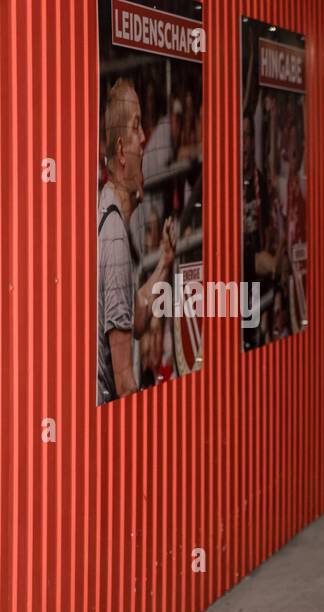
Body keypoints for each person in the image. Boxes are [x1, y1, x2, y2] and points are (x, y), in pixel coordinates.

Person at [97, 77, 176, 406]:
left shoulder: (110, 214)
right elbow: (126, 383)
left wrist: (164, 264)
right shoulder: (114, 235)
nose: (145, 139)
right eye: (136, 128)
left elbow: (137, 317)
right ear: (120, 151)